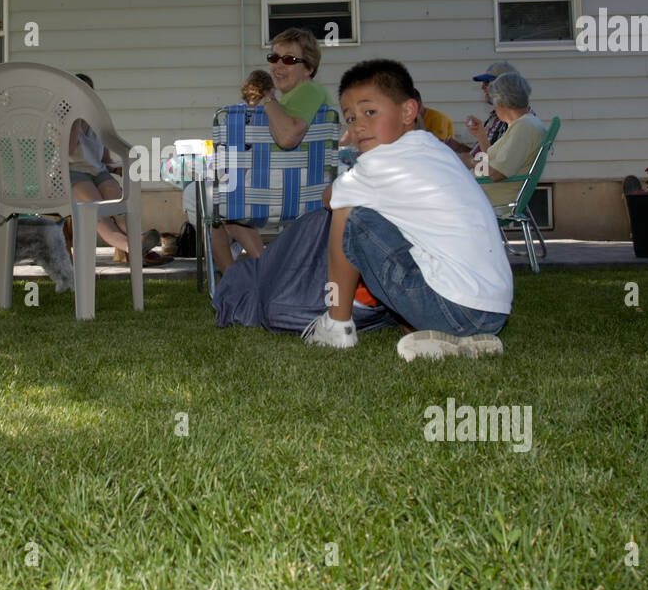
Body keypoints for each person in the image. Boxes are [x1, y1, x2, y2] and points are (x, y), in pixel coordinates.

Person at [301, 59, 512, 361]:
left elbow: (331, 198)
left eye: (369, 112)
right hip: (491, 312)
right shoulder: (436, 149)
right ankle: (450, 339)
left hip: (451, 306)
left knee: (353, 214)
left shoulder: (378, 163)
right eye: (350, 118)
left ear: (408, 112)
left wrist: (338, 188)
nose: (358, 125)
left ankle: (336, 324)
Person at [211, 27, 331, 272]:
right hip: (291, 189)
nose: (277, 66)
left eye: (288, 60)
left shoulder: (308, 91)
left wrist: (266, 98)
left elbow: (288, 138)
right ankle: (258, 277)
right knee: (219, 212)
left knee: (207, 203)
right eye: (274, 58)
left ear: (308, 68)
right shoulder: (289, 101)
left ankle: (258, 276)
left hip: (286, 189)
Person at [68, 72, 166, 265]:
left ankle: (139, 240)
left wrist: (122, 166)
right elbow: (67, 150)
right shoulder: (64, 118)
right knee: (99, 212)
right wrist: (75, 118)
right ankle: (135, 247)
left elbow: (105, 158)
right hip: (72, 173)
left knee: (121, 204)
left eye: (89, 91)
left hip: (97, 172)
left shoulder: (97, 121)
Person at [462, 72, 547, 208]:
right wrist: (481, 136)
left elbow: (497, 173)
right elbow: (495, 162)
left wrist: (471, 162)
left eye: (493, 102)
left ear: (501, 102)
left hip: (490, 198)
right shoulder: (523, 124)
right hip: (485, 192)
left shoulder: (524, 127)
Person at [455, 61, 530, 156]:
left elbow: (494, 163)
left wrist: (481, 136)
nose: (482, 87)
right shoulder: (497, 116)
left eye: (487, 83)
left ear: (505, 85)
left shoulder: (513, 119)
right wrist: (458, 147)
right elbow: (486, 154)